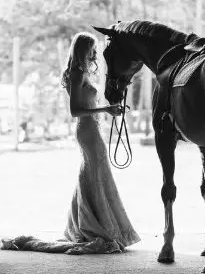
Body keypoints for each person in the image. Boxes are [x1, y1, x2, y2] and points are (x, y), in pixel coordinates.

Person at [1, 32, 140, 254]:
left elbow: (87, 103)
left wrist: (109, 109)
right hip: (86, 130)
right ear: (83, 49)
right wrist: (104, 109)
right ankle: (92, 226)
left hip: (93, 129)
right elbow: (75, 111)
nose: (95, 53)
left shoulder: (82, 72)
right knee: (94, 174)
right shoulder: (76, 73)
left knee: (95, 175)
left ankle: (94, 223)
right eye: (93, 49)